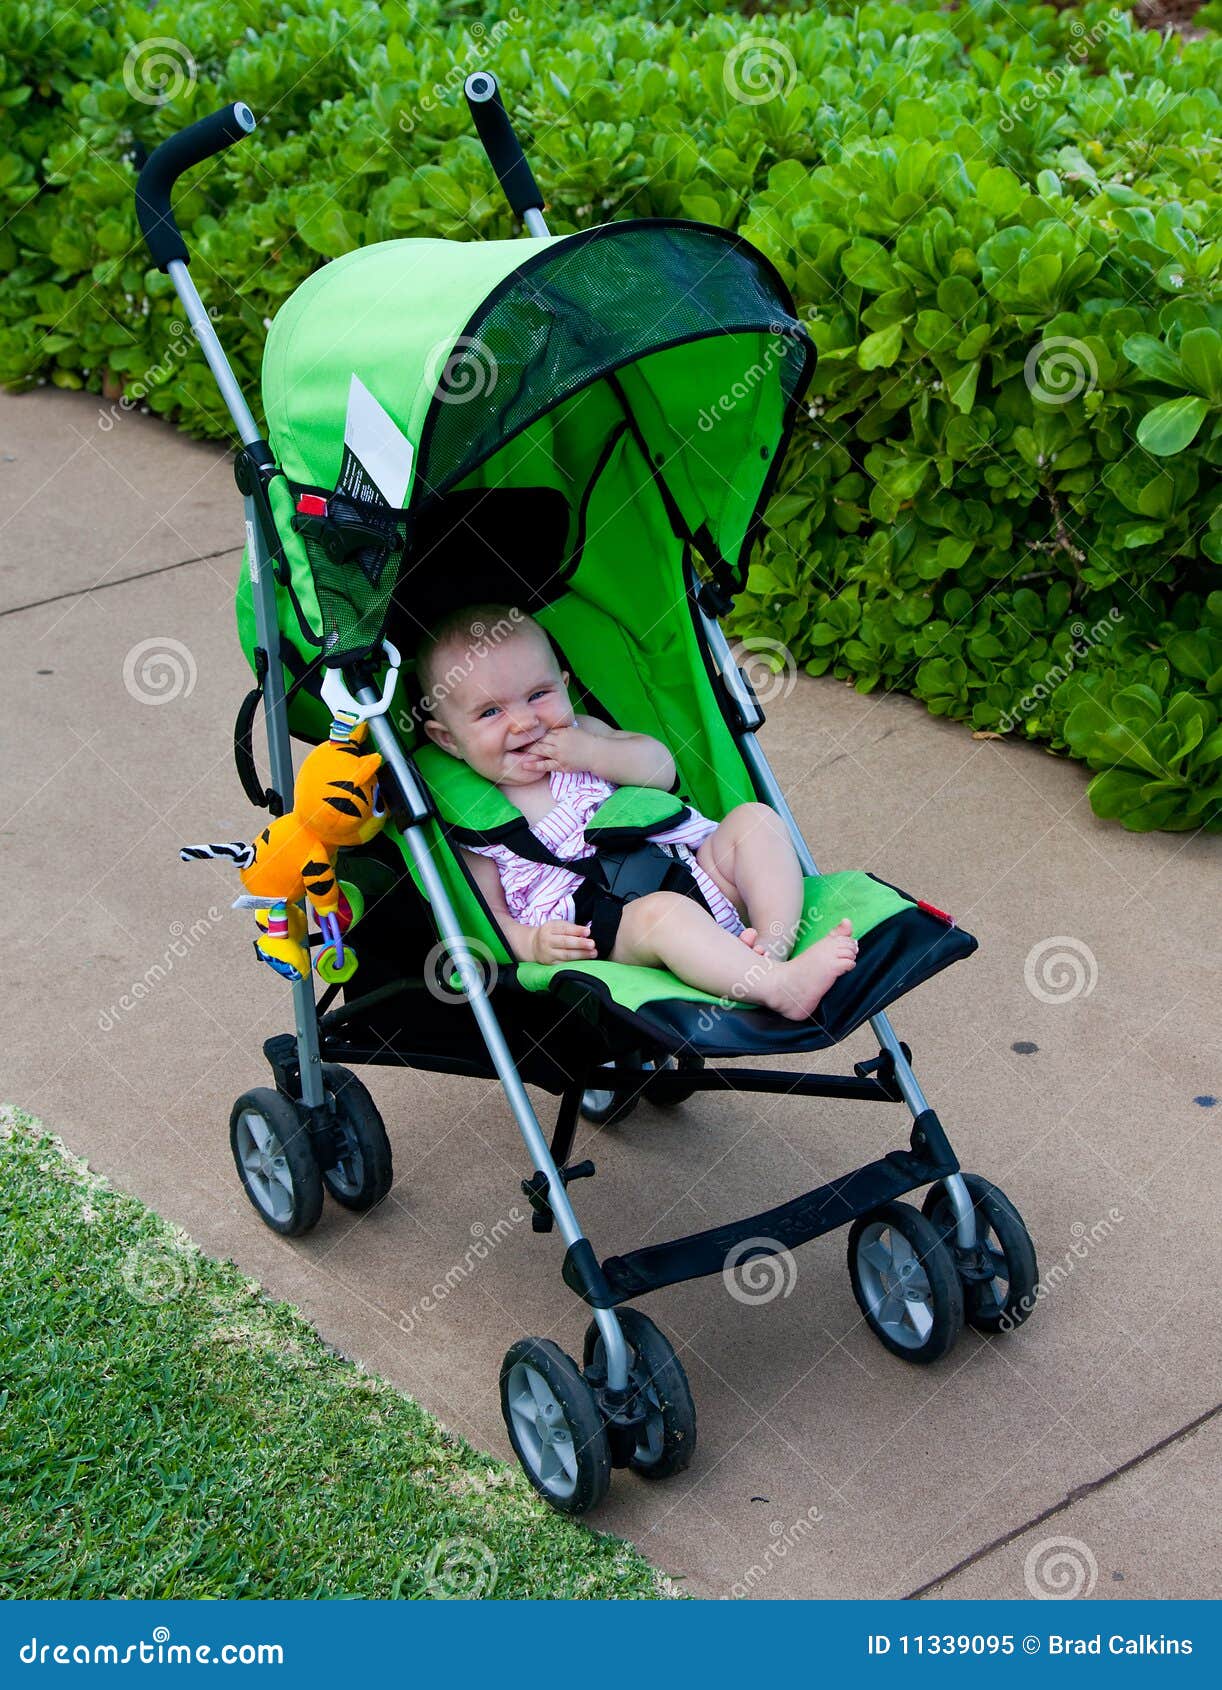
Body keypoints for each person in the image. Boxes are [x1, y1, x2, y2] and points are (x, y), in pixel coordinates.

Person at [416, 605, 857, 1021]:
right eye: (491, 711)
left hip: (696, 871)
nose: (523, 722)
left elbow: (662, 771)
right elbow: (489, 917)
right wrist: (531, 943)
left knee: (756, 820)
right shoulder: (473, 818)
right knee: (663, 914)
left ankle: (770, 946)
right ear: (448, 739)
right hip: (611, 928)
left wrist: (594, 752)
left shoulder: (586, 733)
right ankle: (778, 987)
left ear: (565, 684)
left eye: (538, 695)